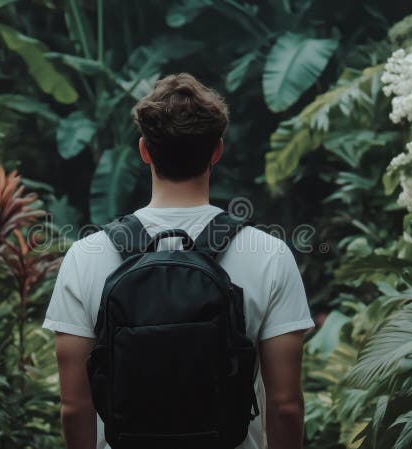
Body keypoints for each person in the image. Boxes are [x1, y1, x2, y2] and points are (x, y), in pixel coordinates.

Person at [43, 73, 314, 449]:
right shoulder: (270, 255)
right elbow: (284, 406)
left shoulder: (85, 256)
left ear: (144, 151)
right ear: (217, 151)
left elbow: (75, 407)